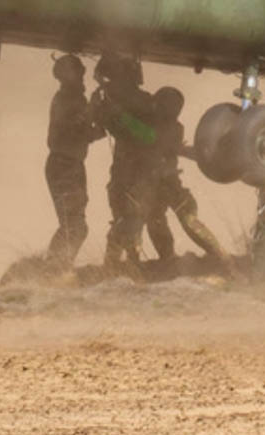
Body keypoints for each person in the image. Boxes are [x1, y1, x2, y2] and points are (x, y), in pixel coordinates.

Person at [144, 86, 230, 274]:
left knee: (187, 220)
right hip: (157, 182)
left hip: (169, 181)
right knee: (156, 220)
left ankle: (219, 255)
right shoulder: (154, 126)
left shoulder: (173, 127)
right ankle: (167, 257)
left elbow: (165, 144)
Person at [91, 54, 158, 273]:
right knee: (122, 215)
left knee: (133, 216)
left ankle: (128, 263)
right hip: (123, 168)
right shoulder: (117, 99)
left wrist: (119, 114)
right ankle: (118, 264)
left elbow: (149, 135)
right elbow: (106, 126)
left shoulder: (145, 101)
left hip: (140, 169)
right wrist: (100, 109)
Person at [43, 53, 99, 267]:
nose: (83, 77)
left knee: (75, 225)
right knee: (74, 226)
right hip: (64, 165)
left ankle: (57, 267)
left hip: (70, 165)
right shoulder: (68, 99)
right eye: (78, 72)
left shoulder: (71, 99)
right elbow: (75, 131)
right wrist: (93, 110)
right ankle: (54, 268)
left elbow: (82, 132)